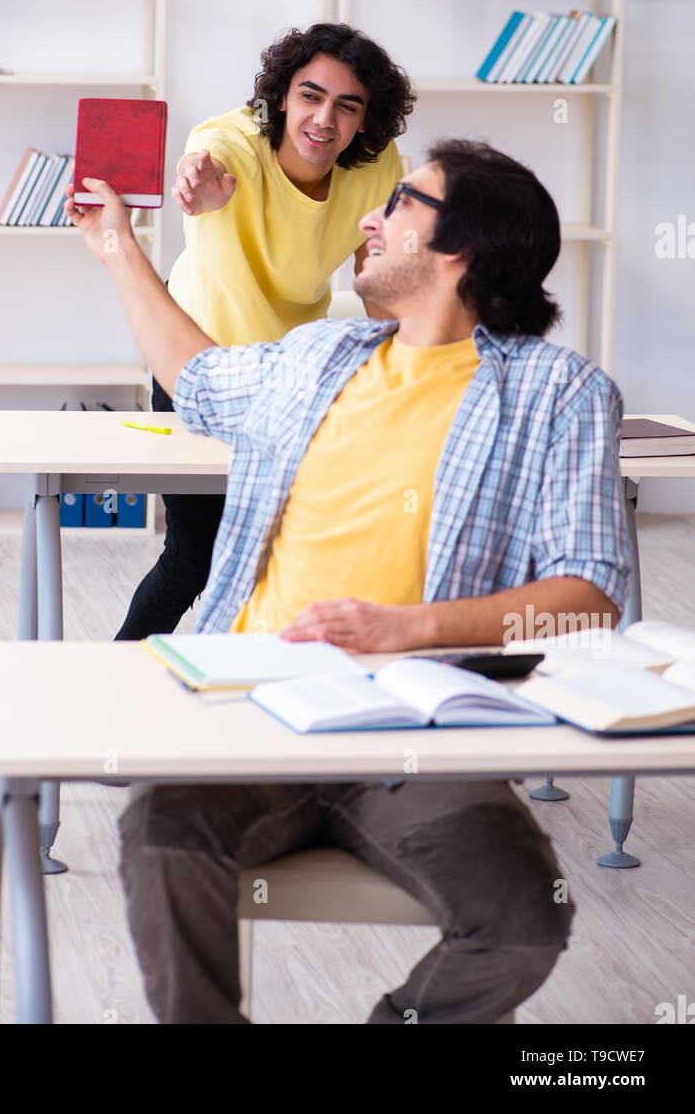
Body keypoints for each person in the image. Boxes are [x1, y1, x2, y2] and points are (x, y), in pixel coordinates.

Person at [67, 138, 630, 1024]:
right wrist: (118, 250)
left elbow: (588, 599)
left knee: (520, 920)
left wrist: (411, 628)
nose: (368, 217)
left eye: (400, 202)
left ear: (463, 249)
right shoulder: (317, 356)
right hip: (247, 704)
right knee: (162, 836)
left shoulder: (558, 393)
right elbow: (196, 376)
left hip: (418, 726)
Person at [114, 22, 414, 640]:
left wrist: (406, 365)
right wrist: (202, 183)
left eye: (346, 106)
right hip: (195, 359)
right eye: (310, 95)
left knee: (282, 554)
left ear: (365, 119)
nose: (324, 119)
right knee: (193, 558)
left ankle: (241, 695)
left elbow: (376, 277)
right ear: (281, 96)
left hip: (288, 371)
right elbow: (204, 164)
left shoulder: (379, 165)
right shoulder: (230, 143)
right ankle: (112, 681)